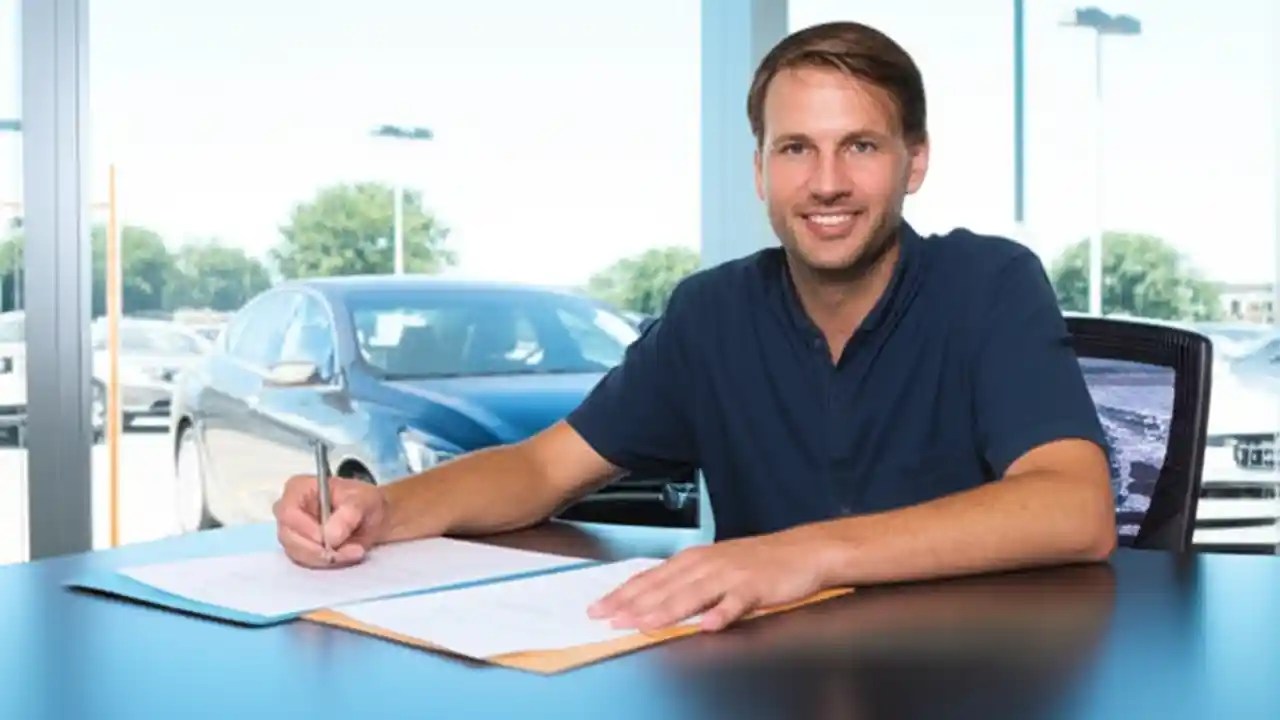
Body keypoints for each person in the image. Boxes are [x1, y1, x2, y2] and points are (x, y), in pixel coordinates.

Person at [273, 20, 1115, 633]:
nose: (826, 182)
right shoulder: (713, 314)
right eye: (795, 149)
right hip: (764, 675)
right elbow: (540, 467)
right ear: (759, 169)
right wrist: (382, 509)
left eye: (860, 146)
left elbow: (1073, 509)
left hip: (974, 676)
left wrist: (803, 553)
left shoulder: (989, 282)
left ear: (915, 162)